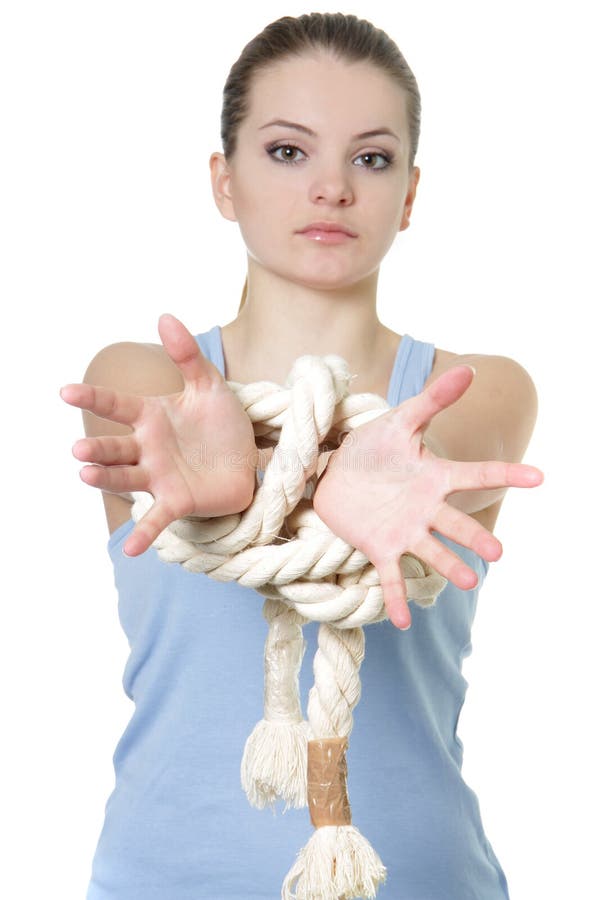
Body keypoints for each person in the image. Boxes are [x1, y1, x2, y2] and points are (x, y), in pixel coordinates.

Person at [60, 12, 543, 900]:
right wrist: (263, 485)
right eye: (288, 152)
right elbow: (204, 471)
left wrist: (293, 481)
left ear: (409, 195)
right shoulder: (143, 383)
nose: (331, 188)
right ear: (224, 181)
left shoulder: (476, 391)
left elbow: (427, 453)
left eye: (371, 158)